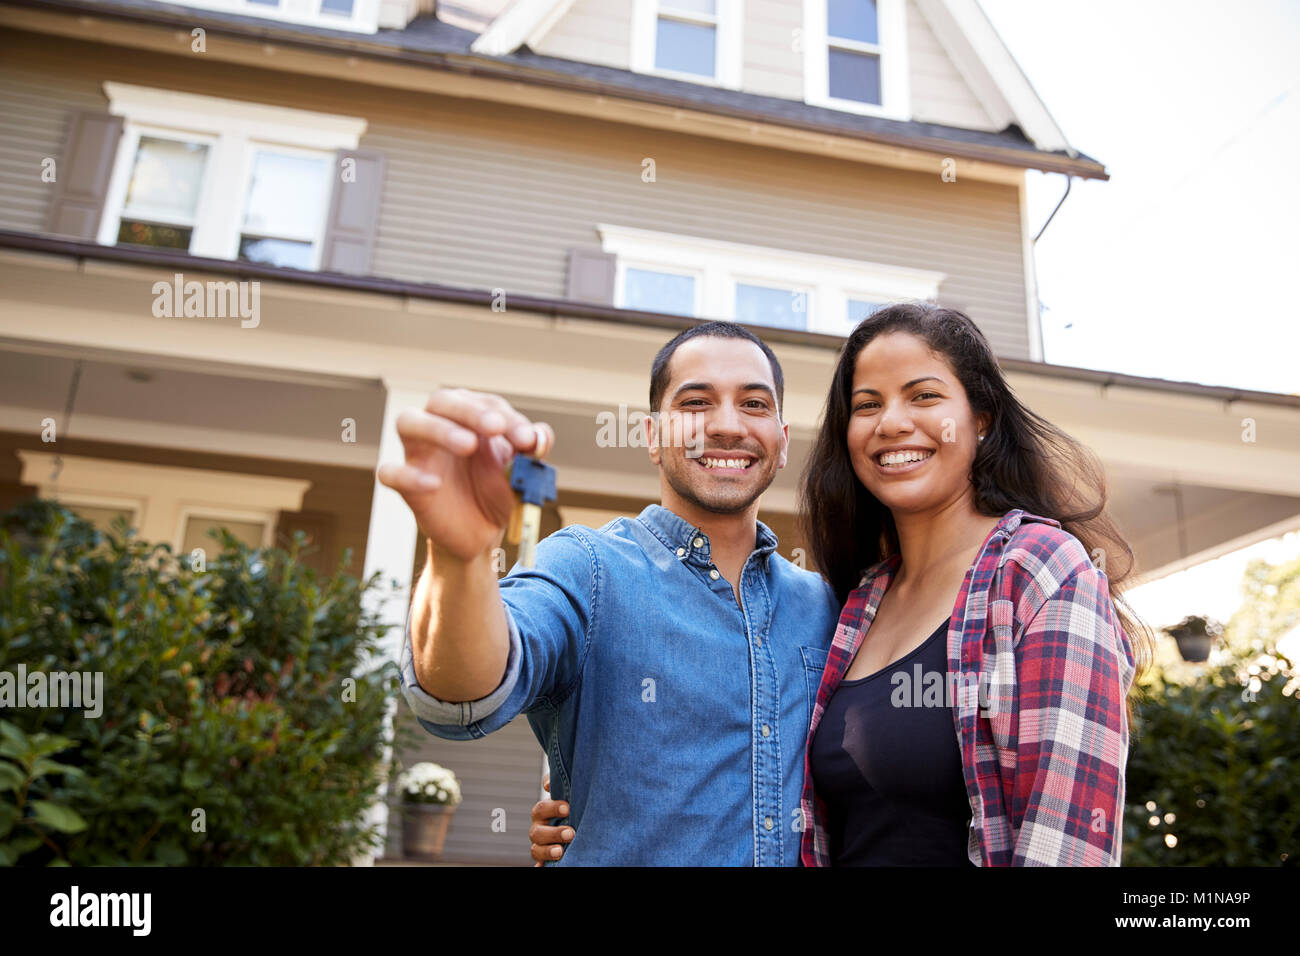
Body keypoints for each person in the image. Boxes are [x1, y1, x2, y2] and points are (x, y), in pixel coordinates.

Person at [531, 303, 1150, 866]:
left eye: (924, 395)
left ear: (980, 419)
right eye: (867, 404)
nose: (893, 423)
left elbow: (1068, 844)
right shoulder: (855, 604)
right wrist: (590, 807)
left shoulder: (1040, 573)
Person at [379, 321, 840, 865]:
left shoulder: (828, 606)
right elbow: (461, 691)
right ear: (651, 435)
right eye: (695, 401)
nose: (726, 425)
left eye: (754, 404)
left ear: (783, 440)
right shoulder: (587, 568)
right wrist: (458, 559)